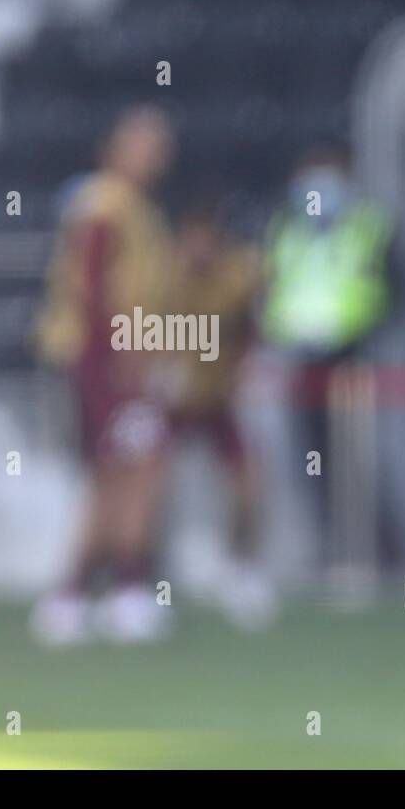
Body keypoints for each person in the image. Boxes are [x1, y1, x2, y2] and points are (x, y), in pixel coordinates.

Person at [31, 104, 175, 645]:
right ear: (115, 147)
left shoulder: (138, 209)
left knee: (116, 472)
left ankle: (74, 596)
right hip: (103, 356)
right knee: (139, 466)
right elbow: (89, 283)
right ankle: (126, 591)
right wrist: (121, 352)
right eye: (146, 142)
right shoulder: (104, 204)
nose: (158, 153)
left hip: (120, 353)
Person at [261, 144, 393, 571]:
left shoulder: (368, 226)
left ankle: (377, 555)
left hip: (354, 361)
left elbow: (393, 287)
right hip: (300, 365)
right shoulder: (287, 228)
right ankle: (328, 553)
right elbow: (272, 288)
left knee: (363, 464)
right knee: (312, 463)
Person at [165, 194, 274, 629]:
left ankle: (240, 568)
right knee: (144, 484)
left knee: (248, 483)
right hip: (168, 399)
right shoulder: (162, 274)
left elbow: (251, 327)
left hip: (216, 397)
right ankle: (137, 580)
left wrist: (244, 367)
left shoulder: (239, 273)